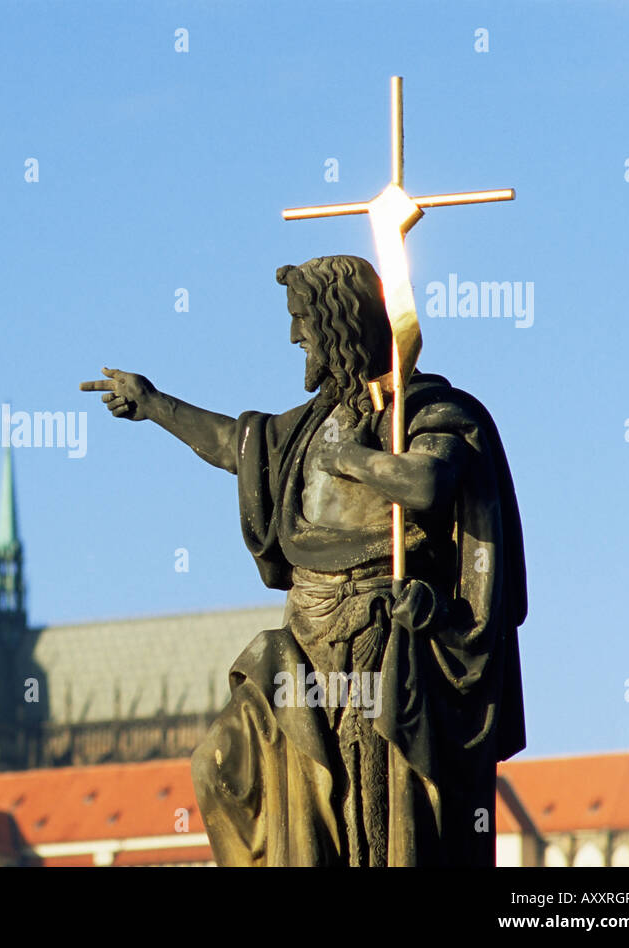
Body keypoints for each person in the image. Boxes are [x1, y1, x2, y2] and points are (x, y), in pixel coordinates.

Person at [80, 255, 526, 866]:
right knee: (218, 765)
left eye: (302, 321)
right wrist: (154, 404)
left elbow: (427, 485)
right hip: (306, 638)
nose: (295, 336)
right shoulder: (310, 427)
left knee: (375, 815)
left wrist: (355, 460)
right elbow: (234, 445)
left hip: (383, 637)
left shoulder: (428, 410)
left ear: (340, 322)